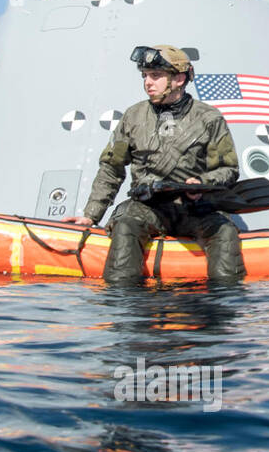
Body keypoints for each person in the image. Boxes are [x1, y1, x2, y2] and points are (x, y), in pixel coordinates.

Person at [81, 45, 246, 282]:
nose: (148, 82)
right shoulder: (133, 116)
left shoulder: (209, 118)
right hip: (148, 207)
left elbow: (228, 169)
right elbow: (111, 167)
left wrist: (201, 183)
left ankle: (222, 306)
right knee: (126, 225)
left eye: (155, 76)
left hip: (195, 209)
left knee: (225, 231)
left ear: (179, 79)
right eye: (145, 76)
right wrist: (90, 215)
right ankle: (123, 307)